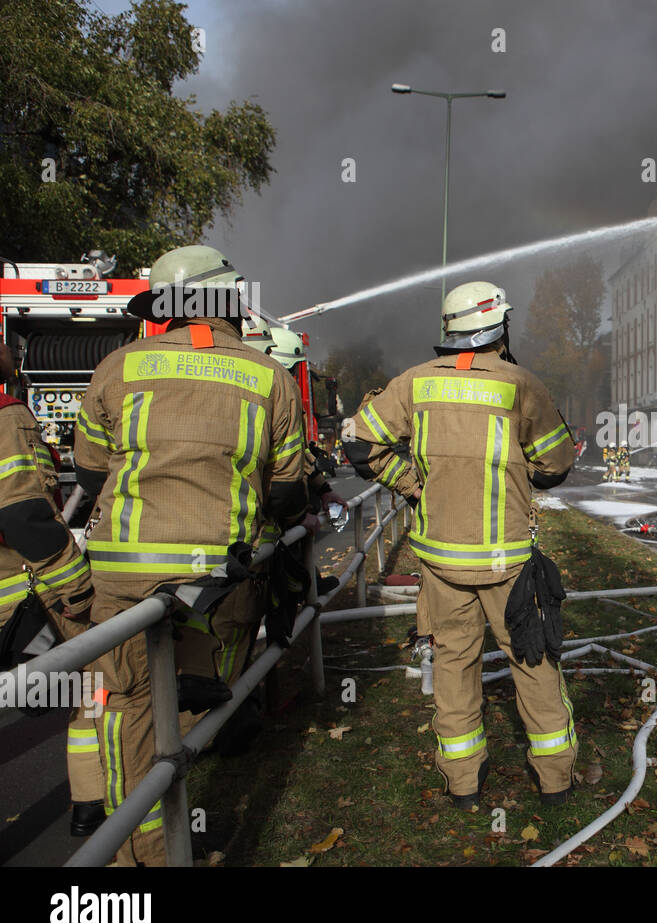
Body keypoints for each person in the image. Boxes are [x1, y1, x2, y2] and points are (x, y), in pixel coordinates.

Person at [74, 244, 308, 865]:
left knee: (129, 709)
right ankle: (181, 821)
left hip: (123, 578)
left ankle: (139, 854)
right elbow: (287, 494)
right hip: (215, 580)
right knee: (191, 710)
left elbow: (91, 473)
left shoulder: (117, 368)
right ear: (228, 298)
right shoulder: (271, 378)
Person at [344, 280, 577, 808]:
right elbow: (557, 464)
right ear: (499, 326)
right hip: (508, 562)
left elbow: (359, 441)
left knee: (453, 664)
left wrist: (413, 483)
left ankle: (464, 783)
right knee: (533, 661)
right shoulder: (521, 385)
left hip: (440, 562)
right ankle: (555, 780)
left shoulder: (414, 384)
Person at [0, 344, 102, 836]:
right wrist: (77, 586)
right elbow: (23, 513)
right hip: (17, 590)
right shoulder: (8, 417)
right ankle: (93, 805)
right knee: (95, 684)